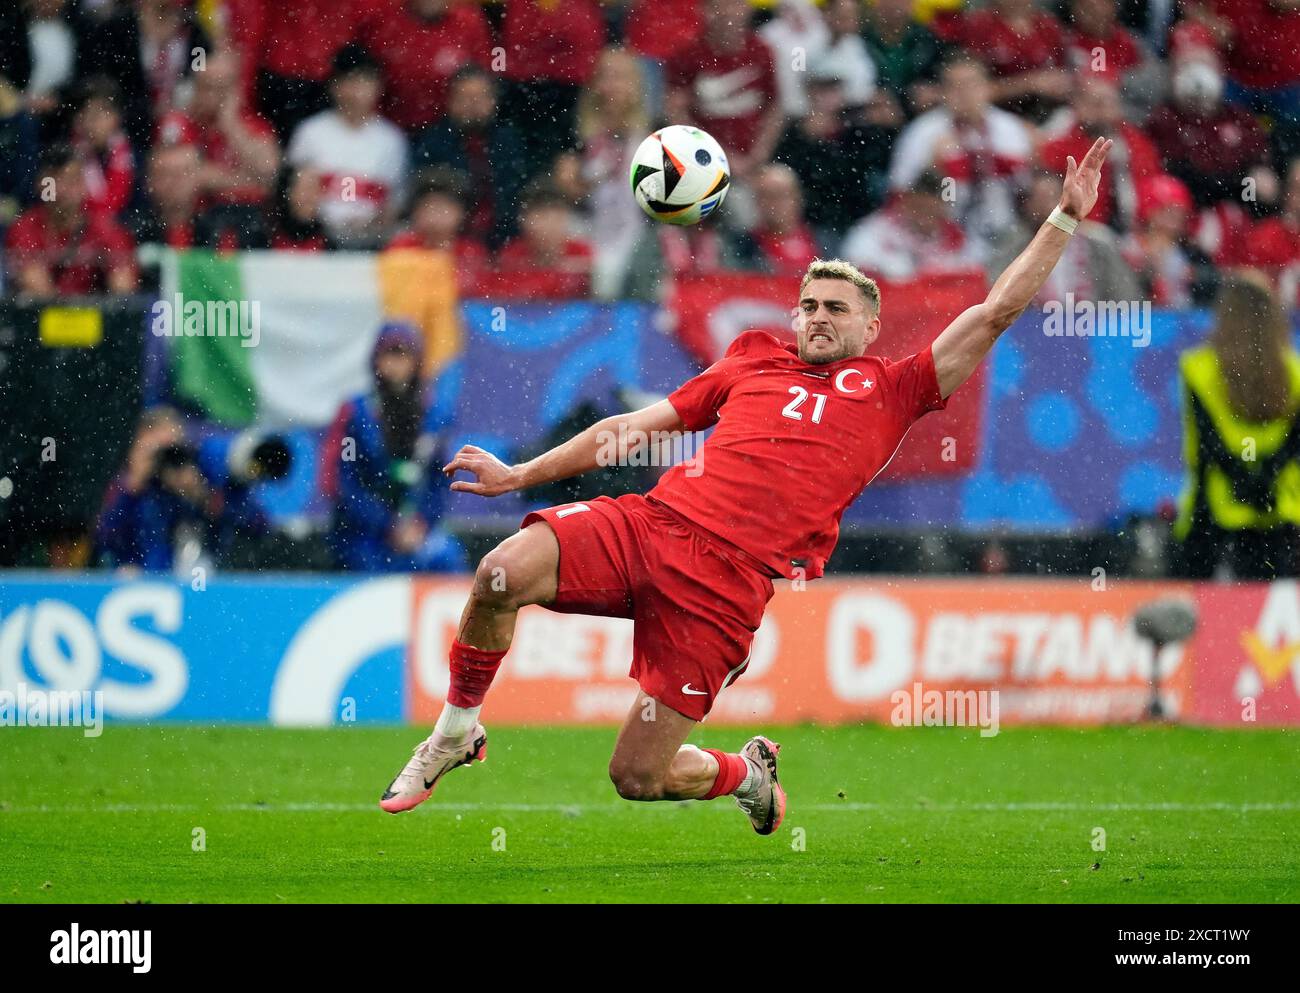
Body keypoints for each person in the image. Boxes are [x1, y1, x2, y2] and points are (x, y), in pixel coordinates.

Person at [377, 140, 1114, 831]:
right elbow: (632, 427)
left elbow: (996, 312)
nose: (818, 319)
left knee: (637, 776)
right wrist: (522, 474)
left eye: (836, 309)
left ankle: (744, 773)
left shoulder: (896, 388)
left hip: (726, 587)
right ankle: (455, 732)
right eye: (809, 306)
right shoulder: (751, 359)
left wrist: (1062, 218)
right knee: (501, 571)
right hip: (651, 525)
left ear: (871, 325)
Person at [1173, 271, 1300, 579]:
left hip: (1214, 507)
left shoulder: (1197, 367)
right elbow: (1294, 443)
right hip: (1279, 507)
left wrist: (1241, 481)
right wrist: (1264, 481)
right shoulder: (1294, 372)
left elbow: (1208, 442)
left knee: (1203, 615)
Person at [325, 322, 466, 573]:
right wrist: (386, 524)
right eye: (389, 354)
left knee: (447, 558)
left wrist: (421, 523)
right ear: (375, 360)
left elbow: (442, 480)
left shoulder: (434, 414)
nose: (395, 364)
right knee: (367, 565)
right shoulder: (356, 413)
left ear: (416, 361)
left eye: (403, 355)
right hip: (364, 533)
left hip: (417, 530)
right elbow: (342, 484)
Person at [286, 43, 408, 249]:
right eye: (349, 81)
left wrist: (371, 226)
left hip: (371, 242)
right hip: (316, 239)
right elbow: (293, 194)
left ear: (378, 87)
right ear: (334, 86)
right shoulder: (311, 132)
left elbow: (396, 201)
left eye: (363, 82)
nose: (355, 91)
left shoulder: (392, 140)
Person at [5, 144, 137, 297]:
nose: (62, 189)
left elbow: (123, 290)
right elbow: (37, 290)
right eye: (54, 181)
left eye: (72, 180)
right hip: (42, 317)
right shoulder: (25, 228)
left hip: (95, 316)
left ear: (84, 185)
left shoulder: (106, 229)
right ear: (40, 185)